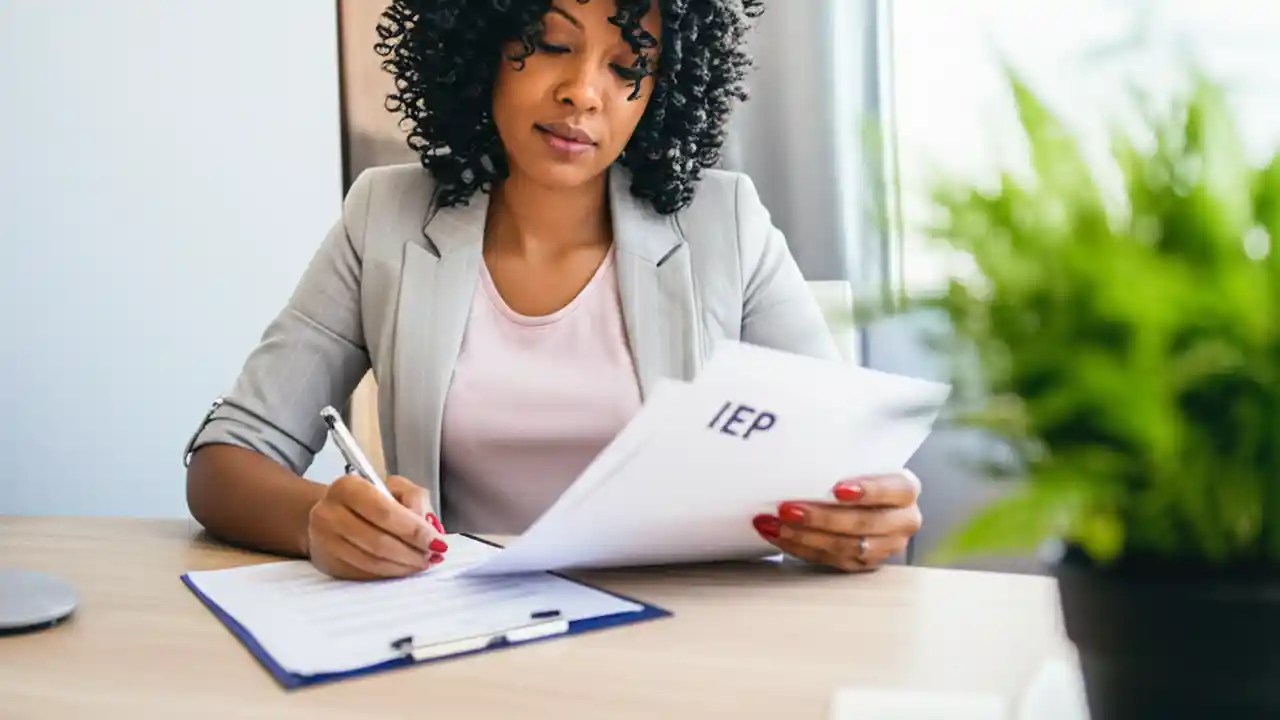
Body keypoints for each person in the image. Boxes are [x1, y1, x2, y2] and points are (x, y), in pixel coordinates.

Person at [184, 0, 922, 581]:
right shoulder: (387, 217)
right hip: (467, 638)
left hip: (690, 638)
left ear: (661, 90)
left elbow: (848, 463)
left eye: (628, 64)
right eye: (551, 44)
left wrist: (863, 519)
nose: (582, 93)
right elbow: (225, 464)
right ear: (481, 47)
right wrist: (318, 518)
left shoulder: (725, 222)